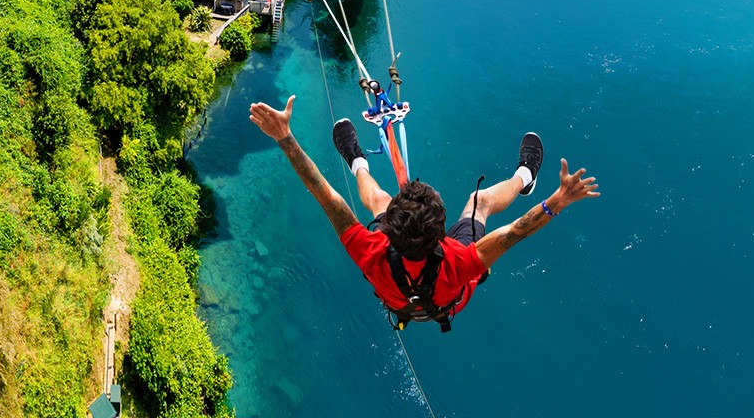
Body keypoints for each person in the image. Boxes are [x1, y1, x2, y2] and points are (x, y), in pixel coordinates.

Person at [248, 95, 600, 330]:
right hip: (446, 300)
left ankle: (356, 160)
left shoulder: (371, 251)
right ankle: (526, 177)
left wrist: (285, 137)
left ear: (390, 233)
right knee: (479, 201)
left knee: (380, 199)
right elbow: (514, 232)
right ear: (442, 234)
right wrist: (559, 199)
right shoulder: (460, 260)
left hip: (403, 301)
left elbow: (327, 196)